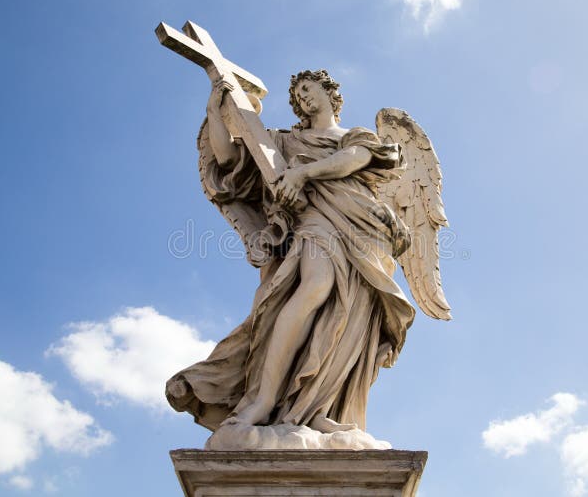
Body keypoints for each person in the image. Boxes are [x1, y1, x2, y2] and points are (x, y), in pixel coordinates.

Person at [166, 69, 415, 434]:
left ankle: (314, 406)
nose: (303, 98)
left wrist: (302, 175)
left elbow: (352, 160)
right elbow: (230, 159)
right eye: (297, 95)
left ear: (330, 93)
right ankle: (263, 400)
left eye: (308, 89)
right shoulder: (282, 143)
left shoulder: (356, 135)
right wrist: (216, 108)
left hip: (366, 228)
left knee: (349, 315)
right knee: (317, 285)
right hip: (316, 221)